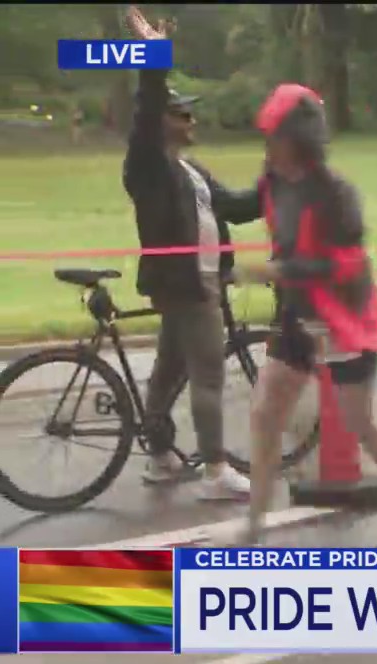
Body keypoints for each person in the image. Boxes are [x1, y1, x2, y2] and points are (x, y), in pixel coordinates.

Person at [229, 83, 377, 546]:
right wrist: (178, 166)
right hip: (299, 319)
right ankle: (255, 524)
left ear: (301, 139)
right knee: (264, 414)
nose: (271, 147)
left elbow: (347, 266)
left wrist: (279, 269)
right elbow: (232, 205)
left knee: (359, 424)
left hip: (341, 319)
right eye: (269, 138)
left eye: (278, 137)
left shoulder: (336, 193)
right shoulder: (273, 184)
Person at [123, 7, 254, 500]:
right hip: (185, 283)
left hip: (197, 279)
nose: (192, 119)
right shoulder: (149, 166)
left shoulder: (189, 169)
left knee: (169, 370)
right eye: (183, 113)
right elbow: (144, 111)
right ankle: (216, 468)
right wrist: (153, 58)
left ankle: (159, 458)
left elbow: (233, 206)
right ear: (163, 122)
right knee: (208, 374)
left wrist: (277, 184)